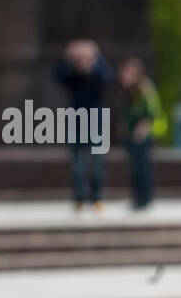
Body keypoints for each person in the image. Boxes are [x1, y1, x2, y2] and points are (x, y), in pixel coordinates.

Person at [54, 38, 113, 212]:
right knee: (78, 164)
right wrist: (67, 58)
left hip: (96, 122)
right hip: (76, 122)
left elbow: (108, 77)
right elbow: (57, 76)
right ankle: (79, 197)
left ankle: (97, 197)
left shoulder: (98, 73)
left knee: (97, 163)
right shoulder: (73, 75)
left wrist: (96, 59)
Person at [116, 58, 166, 211]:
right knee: (134, 168)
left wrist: (142, 130)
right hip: (131, 135)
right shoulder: (128, 91)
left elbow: (150, 113)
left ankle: (145, 198)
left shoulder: (144, 89)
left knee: (143, 167)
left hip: (142, 136)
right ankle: (137, 197)